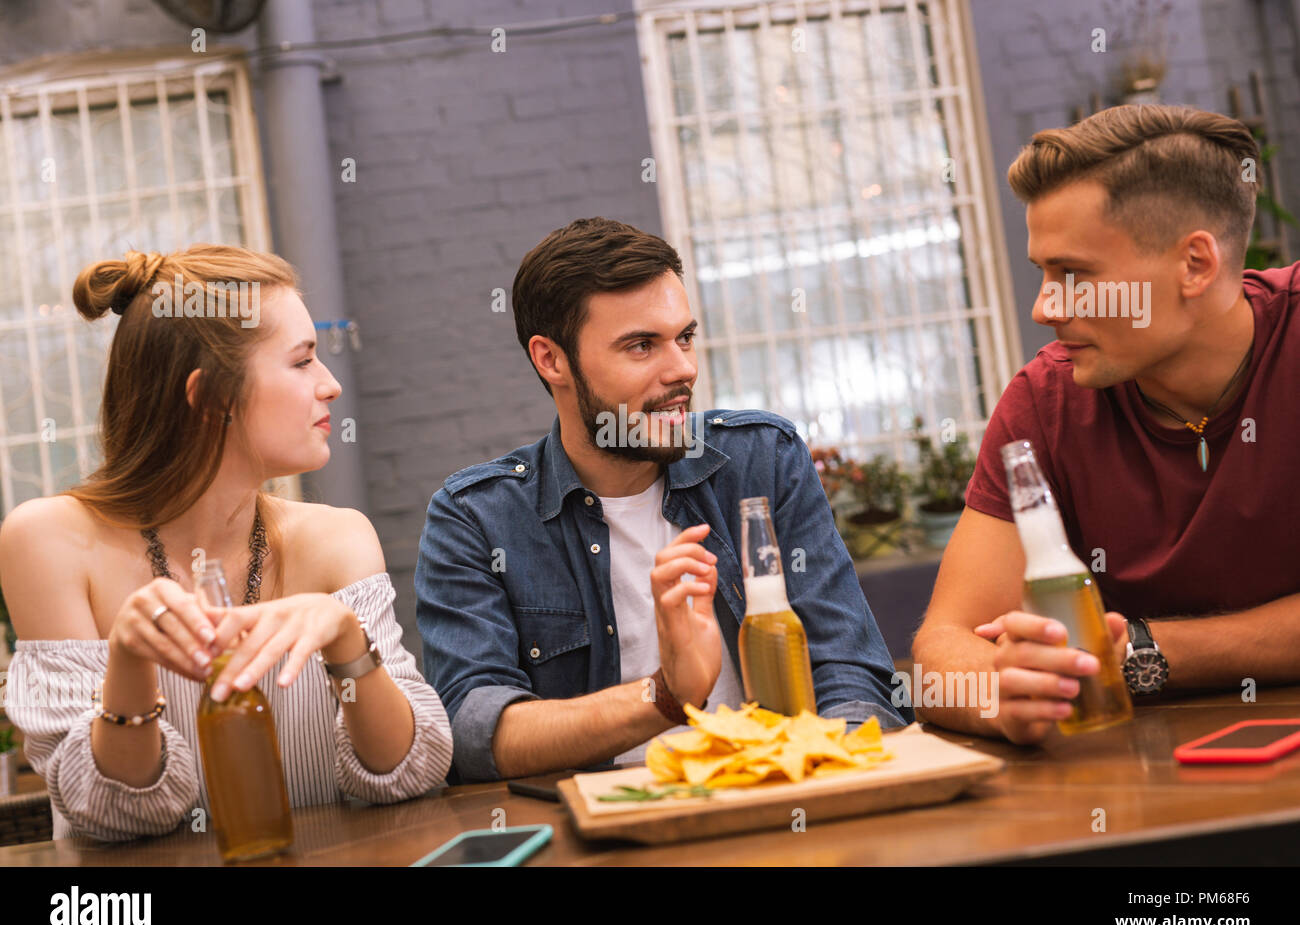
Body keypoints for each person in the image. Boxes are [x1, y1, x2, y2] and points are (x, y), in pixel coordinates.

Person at [415, 217, 910, 783]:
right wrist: (666, 696)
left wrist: (816, 784)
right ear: (551, 360)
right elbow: (475, 733)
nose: (683, 369)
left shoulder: (762, 460)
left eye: (685, 337)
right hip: (610, 835)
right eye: (642, 346)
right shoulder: (477, 517)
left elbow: (850, 674)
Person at [0, 245, 453, 841]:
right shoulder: (49, 541)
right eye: (302, 362)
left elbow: (410, 774)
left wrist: (348, 642)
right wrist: (130, 667)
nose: (331, 385)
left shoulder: (337, 537)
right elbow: (111, 815)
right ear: (210, 397)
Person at [911, 104, 1300, 744]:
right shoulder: (1043, 403)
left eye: (1074, 275)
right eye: (1043, 273)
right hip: (1142, 798)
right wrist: (1004, 691)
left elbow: (1127, 657)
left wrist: (1142, 652)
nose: (1043, 307)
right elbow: (935, 666)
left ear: (1195, 265)